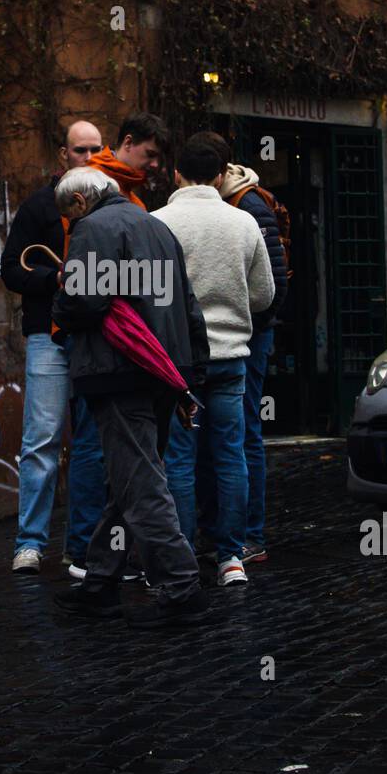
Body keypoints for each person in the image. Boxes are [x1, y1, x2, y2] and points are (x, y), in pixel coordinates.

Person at [51, 167, 211, 629]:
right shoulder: (156, 226)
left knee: (139, 485)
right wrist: (192, 369)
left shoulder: (93, 229)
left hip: (118, 372)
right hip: (163, 371)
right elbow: (188, 302)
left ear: (81, 201)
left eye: (68, 215)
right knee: (129, 481)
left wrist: (57, 300)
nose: (67, 225)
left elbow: (83, 301)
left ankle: (182, 588)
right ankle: (101, 584)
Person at [153, 134, 274, 587]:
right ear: (222, 175)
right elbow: (264, 296)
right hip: (229, 358)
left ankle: (182, 554)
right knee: (230, 455)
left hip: (176, 362)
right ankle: (231, 557)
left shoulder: (158, 222)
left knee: (179, 460)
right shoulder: (243, 223)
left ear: (176, 173)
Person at [0, 121, 107, 574]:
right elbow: (11, 271)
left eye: (96, 150)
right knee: (41, 439)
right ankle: (30, 542)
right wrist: (55, 278)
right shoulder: (40, 205)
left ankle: (81, 548)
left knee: (91, 441)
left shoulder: (109, 208)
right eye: (80, 150)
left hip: (95, 337)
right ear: (64, 155)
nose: (88, 157)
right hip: (48, 335)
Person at [201, 132, 289, 564]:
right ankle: (228, 533)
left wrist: (246, 324)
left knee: (245, 432)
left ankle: (249, 534)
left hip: (248, 336)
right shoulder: (230, 203)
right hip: (238, 335)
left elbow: (274, 286)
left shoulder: (249, 206)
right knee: (232, 434)